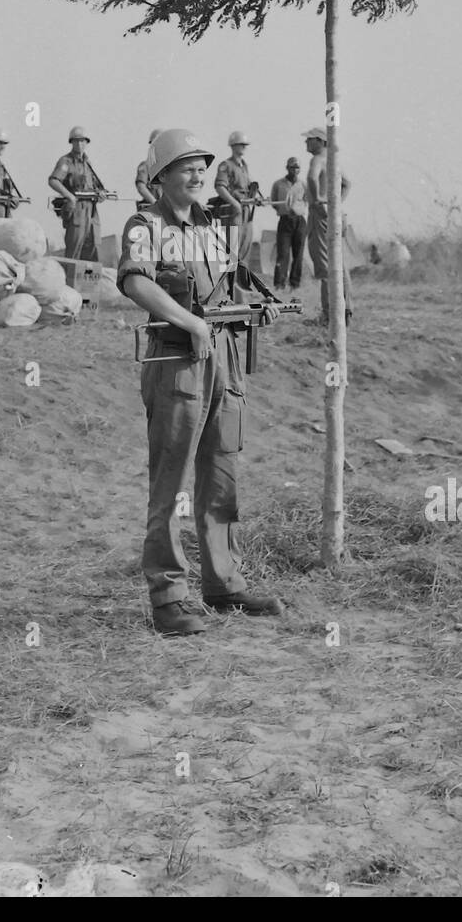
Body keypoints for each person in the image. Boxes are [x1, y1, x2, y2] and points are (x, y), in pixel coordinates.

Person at [117, 128, 286, 637]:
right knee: (169, 483)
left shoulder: (214, 227)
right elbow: (135, 280)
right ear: (162, 175)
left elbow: (228, 285)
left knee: (221, 474)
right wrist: (190, 322)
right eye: (185, 166)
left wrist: (258, 308)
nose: (196, 174)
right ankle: (169, 599)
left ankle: (224, 582)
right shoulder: (144, 223)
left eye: (200, 165)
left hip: (224, 358)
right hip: (177, 360)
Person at [303, 127, 353, 325]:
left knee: (324, 267)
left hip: (322, 215)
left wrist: (317, 201)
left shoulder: (317, 160)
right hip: (336, 213)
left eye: (310, 140)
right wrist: (337, 203)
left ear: (321, 141)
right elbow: (347, 184)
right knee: (339, 263)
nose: (306, 143)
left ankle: (329, 315)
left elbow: (311, 178)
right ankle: (345, 310)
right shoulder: (334, 161)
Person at [48, 125, 106, 265]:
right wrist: (69, 196)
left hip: (91, 211)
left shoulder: (88, 163)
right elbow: (53, 180)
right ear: (71, 142)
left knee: (93, 249)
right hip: (76, 210)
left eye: (82, 141)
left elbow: (95, 187)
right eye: (76, 141)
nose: (80, 144)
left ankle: (89, 285)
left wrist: (101, 194)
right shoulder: (66, 161)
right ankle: (69, 284)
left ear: (86, 143)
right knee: (73, 252)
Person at [213, 130, 257, 266]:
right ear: (233, 146)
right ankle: (228, 285)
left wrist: (254, 197)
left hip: (246, 210)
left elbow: (248, 188)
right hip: (233, 212)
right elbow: (220, 187)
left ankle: (240, 284)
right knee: (231, 250)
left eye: (245, 144)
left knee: (245, 247)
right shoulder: (226, 165)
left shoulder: (244, 166)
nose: (244, 147)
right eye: (241, 144)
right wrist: (235, 204)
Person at [269, 156, 308, 291]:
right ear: (287, 168)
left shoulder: (303, 185)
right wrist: (284, 210)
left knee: (298, 254)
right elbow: (274, 201)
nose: (295, 170)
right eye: (292, 167)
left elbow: (307, 200)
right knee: (283, 253)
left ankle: (295, 284)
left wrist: (298, 209)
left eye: (297, 167)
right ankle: (279, 284)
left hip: (299, 221)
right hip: (285, 220)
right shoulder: (278, 184)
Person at [134, 129, 163, 211]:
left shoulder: (166, 168)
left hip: (164, 211)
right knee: (156, 223)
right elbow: (141, 187)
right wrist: (155, 203)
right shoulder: (145, 166)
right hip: (150, 210)